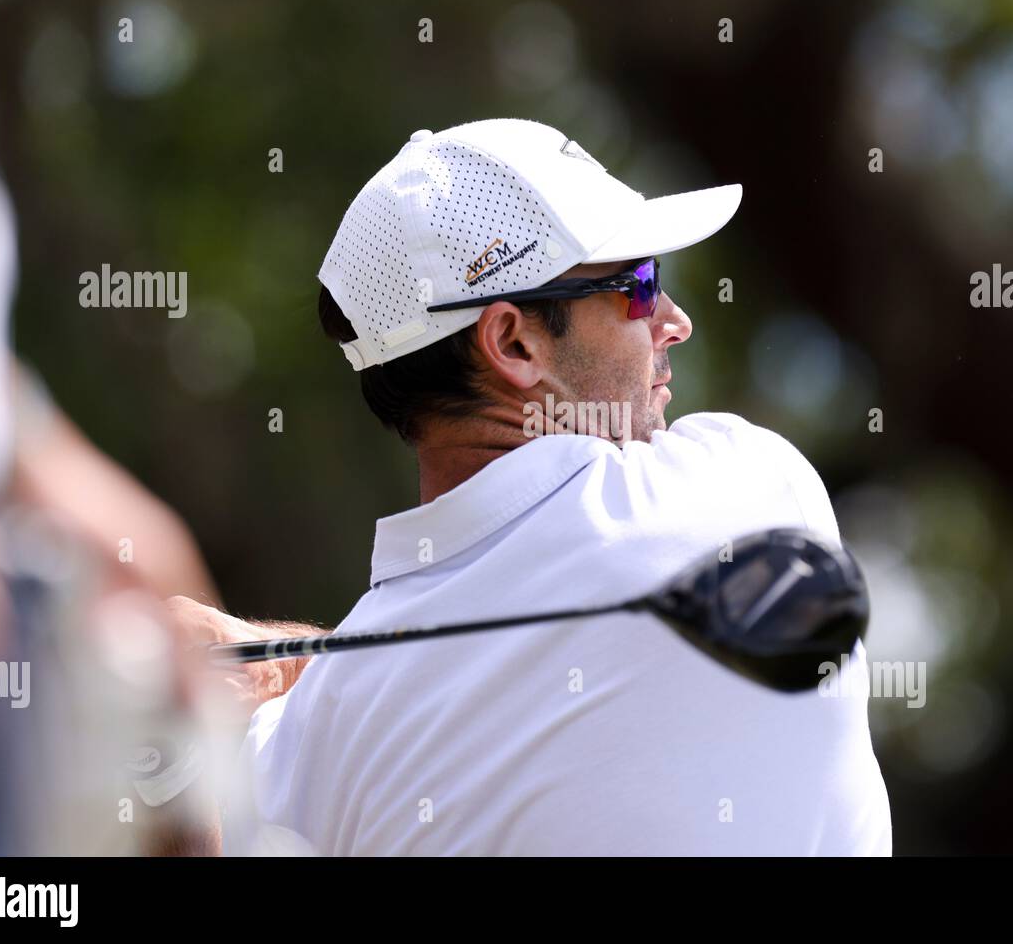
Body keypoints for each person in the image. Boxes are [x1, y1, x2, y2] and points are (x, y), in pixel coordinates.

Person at [182, 119, 891, 855]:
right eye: (639, 287)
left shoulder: (315, 746)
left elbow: (439, 680)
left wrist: (265, 674)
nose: (673, 323)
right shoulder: (747, 484)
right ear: (514, 343)